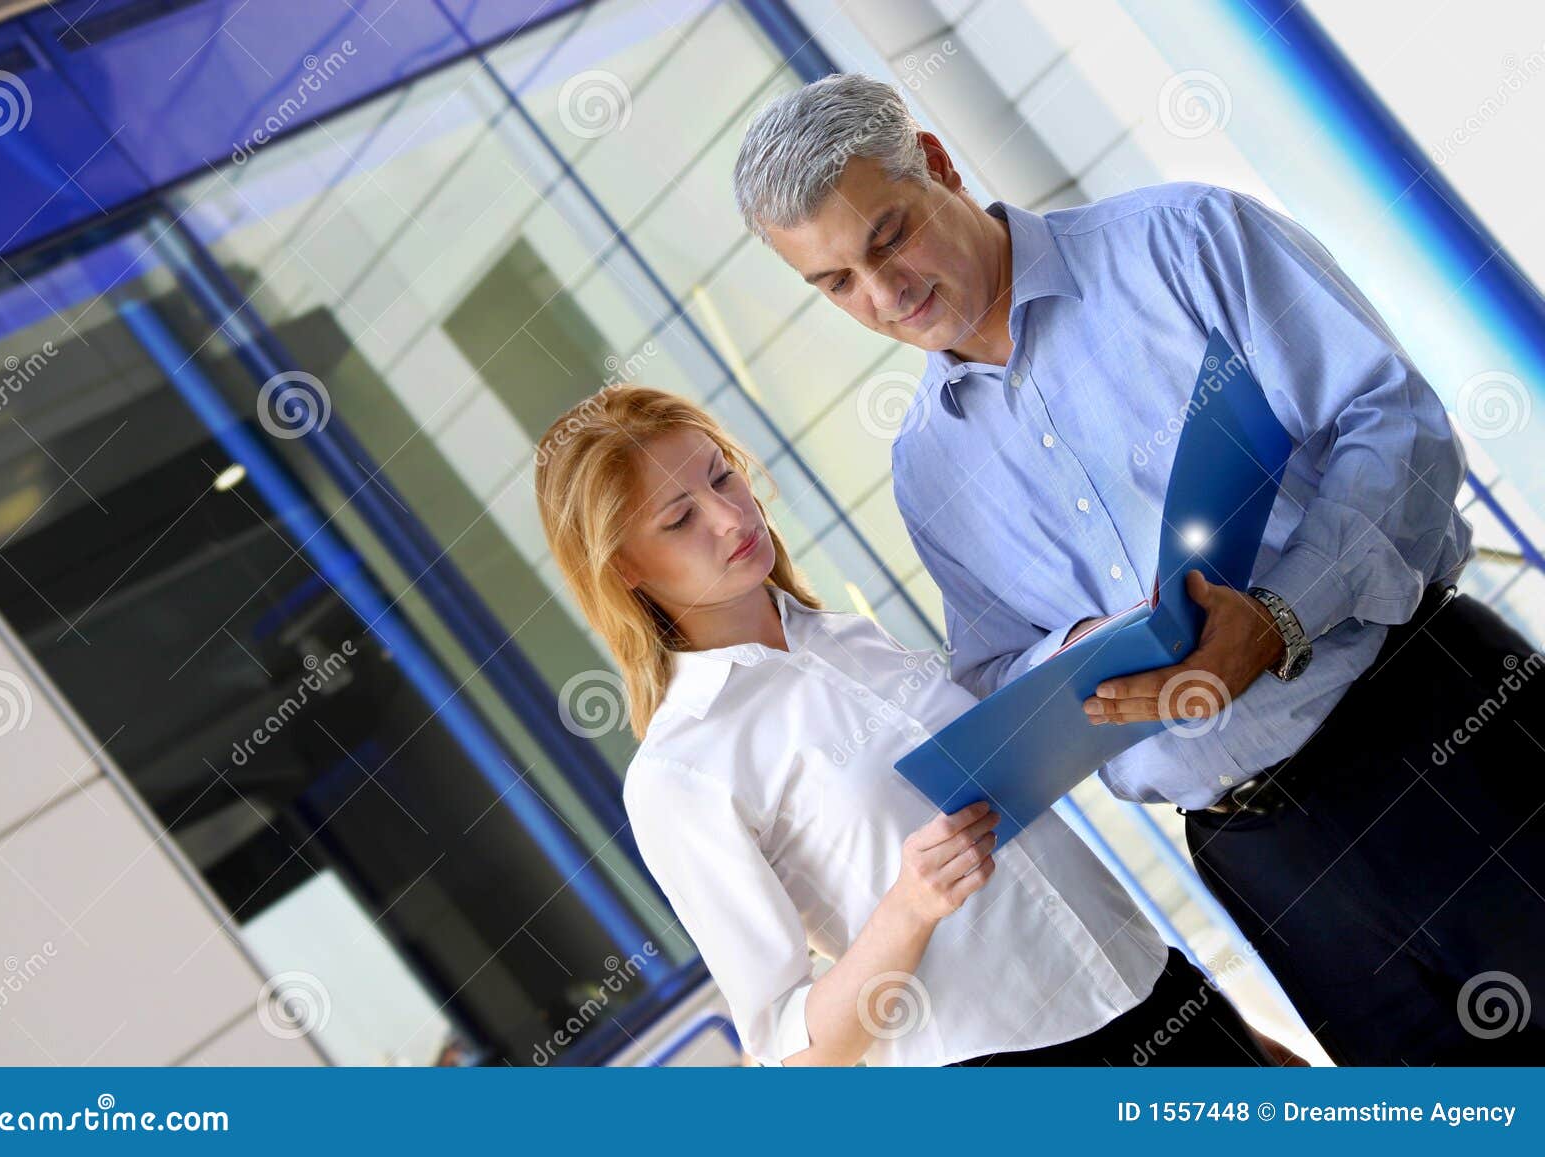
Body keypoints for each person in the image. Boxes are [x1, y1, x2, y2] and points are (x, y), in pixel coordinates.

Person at [730, 72, 1545, 1065]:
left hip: (1434, 732)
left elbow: (1395, 426)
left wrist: (1282, 616)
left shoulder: (1183, 241)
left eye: (888, 236)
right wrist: (1080, 658)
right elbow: (993, 675)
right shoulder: (925, 466)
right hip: (1264, 858)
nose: (883, 294)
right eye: (835, 283)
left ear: (939, 165)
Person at [533, 383, 1277, 1067]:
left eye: (721, 475)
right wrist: (909, 907)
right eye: (679, 518)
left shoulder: (851, 639)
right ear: (625, 568)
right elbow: (793, 1054)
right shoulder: (680, 770)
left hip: (1151, 984)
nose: (731, 516)